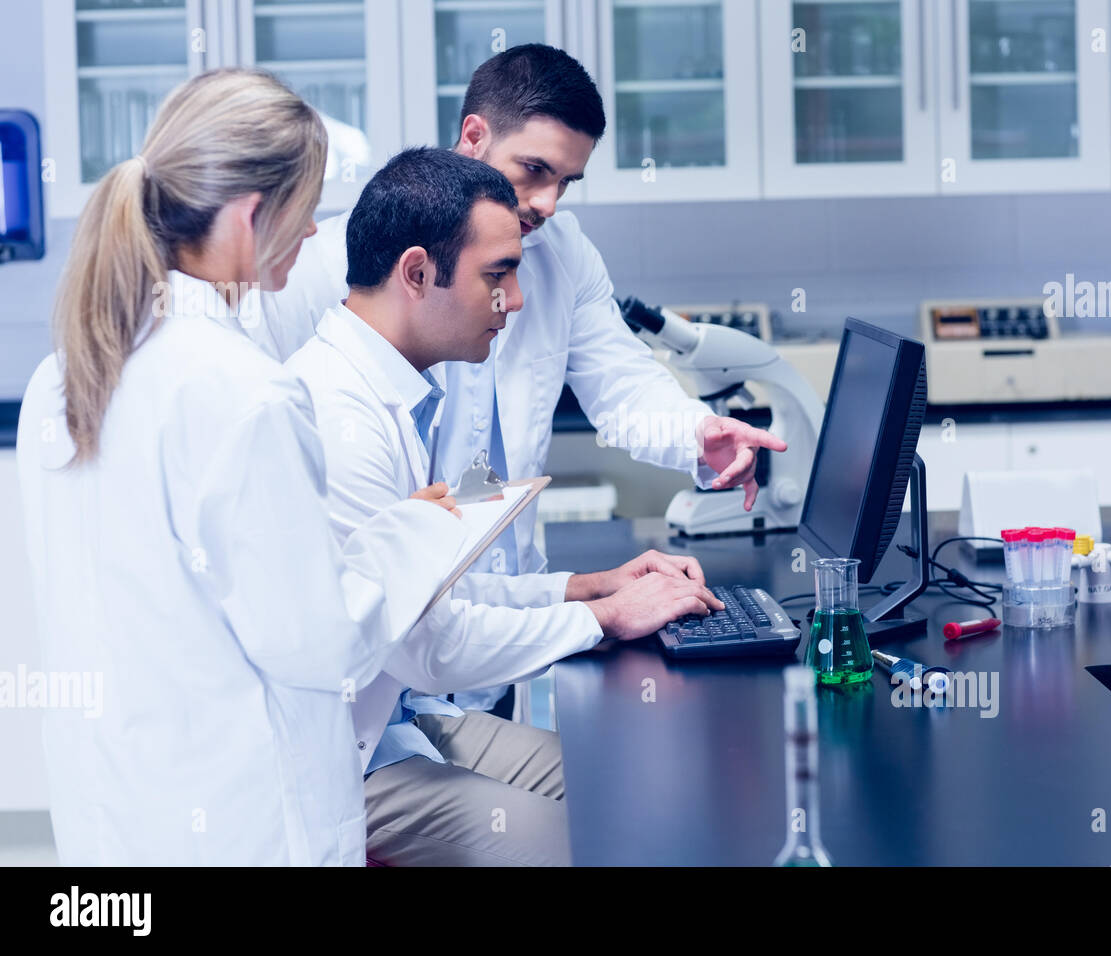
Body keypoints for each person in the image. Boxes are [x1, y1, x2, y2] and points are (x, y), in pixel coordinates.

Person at [15, 69, 468, 866]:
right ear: (254, 215)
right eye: (312, 209)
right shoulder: (244, 390)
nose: (319, 235)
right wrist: (420, 533)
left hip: (115, 828)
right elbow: (323, 647)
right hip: (247, 828)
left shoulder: (62, 378)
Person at [250, 43, 787, 713]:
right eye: (533, 170)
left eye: (565, 181)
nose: (547, 203)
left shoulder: (563, 258)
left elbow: (622, 386)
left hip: (499, 628)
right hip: (380, 664)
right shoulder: (335, 265)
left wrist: (695, 433)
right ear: (474, 135)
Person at [287, 146, 723, 865]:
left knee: (631, 785)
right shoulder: (343, 420)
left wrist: (583, 586)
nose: (515, 302)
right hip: (344, 763)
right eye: (499, 276)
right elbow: (428, 648)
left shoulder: (391, 394)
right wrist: (602, 619)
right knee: (581, 846)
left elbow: (425, 594)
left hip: (396, 721)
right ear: (418, 274)